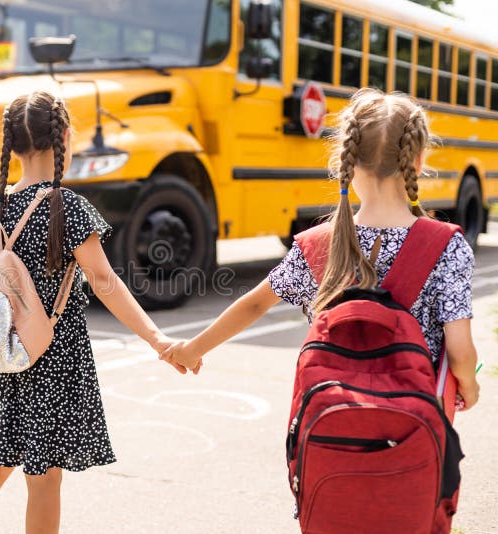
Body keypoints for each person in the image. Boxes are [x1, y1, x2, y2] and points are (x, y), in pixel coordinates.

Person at [161, 88, 480, 412]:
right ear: (418, 159)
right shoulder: (446, 247)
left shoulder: (317, 245)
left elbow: (254, 304)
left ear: (348, 160)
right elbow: (460, 350)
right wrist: (469, 387)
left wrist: (193, 349)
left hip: (331, 422)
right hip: (414, 424)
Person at [0, 91, 190, 534]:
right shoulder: (67, 208)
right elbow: (105, 283)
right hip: (55, 357)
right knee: (44, 478)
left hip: (8, 356)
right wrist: (156, 338)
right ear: (65, 136)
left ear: (12, 144)